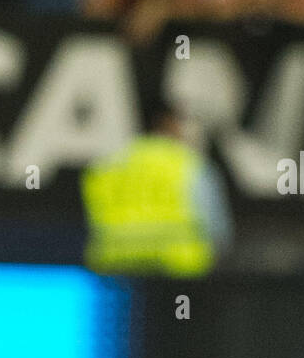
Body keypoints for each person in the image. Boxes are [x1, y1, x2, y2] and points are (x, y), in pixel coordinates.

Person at [80, 107, 233, 275]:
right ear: (168, 123)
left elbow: (88, 224)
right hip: (180, 274)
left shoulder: (105, 166)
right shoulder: (189, 164)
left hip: (116, 272)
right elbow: (217, 231)